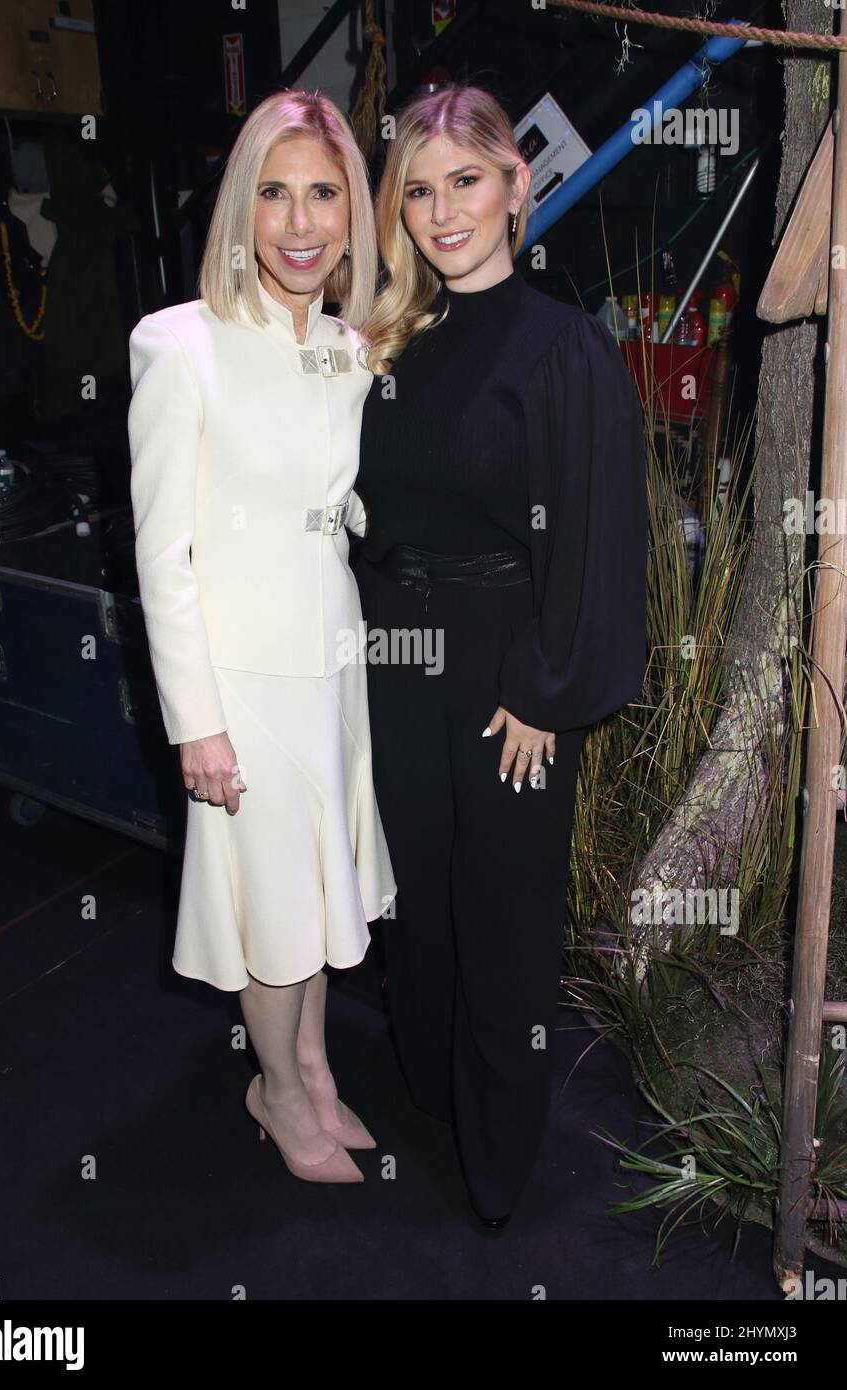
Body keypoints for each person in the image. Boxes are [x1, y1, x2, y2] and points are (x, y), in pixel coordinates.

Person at [354, 84, 648, 1227]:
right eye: (418, 190)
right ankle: (430, 1090)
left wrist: (544, 689)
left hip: (503, 678)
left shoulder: (563, 347)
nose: (442, 211)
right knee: (415, 897)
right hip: (389, 665)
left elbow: (592, 533)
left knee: (505, 910)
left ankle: (496, 1156)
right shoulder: (390, 339)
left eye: (464, 181)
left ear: (518, 185)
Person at [127, 90, 396, 1185]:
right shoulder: (177, 343)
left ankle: (316, 1072)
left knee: (321, 894)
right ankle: (275, 1090)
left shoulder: (348, 345)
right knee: (274, 908)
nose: (298, 223)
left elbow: (337, 495)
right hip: (241, 686)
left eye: (323, 194)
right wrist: (197, 723)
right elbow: (160, 552)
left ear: (350, 214)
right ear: (242, 208)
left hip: (332, 668)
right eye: (274, 194)